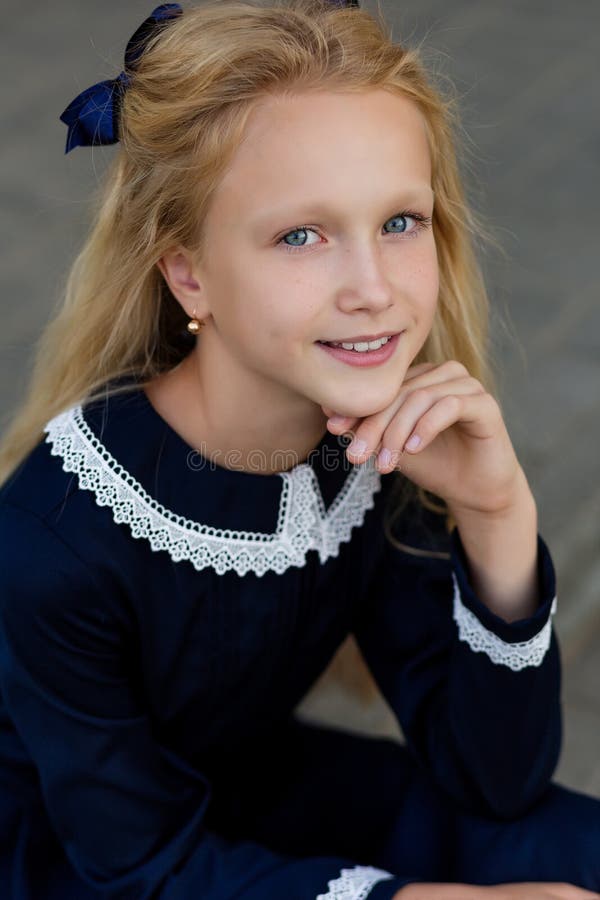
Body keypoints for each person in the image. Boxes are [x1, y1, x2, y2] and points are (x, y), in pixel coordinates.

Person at [0, 1, 598, 897]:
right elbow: (137, 862)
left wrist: (496, 513)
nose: (372, 289)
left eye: (401, 222)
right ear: (188, 272)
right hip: (77, 851)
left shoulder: (373, 441)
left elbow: (494, 782)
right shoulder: (56, 537)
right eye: (301, 236)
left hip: (254, 789)